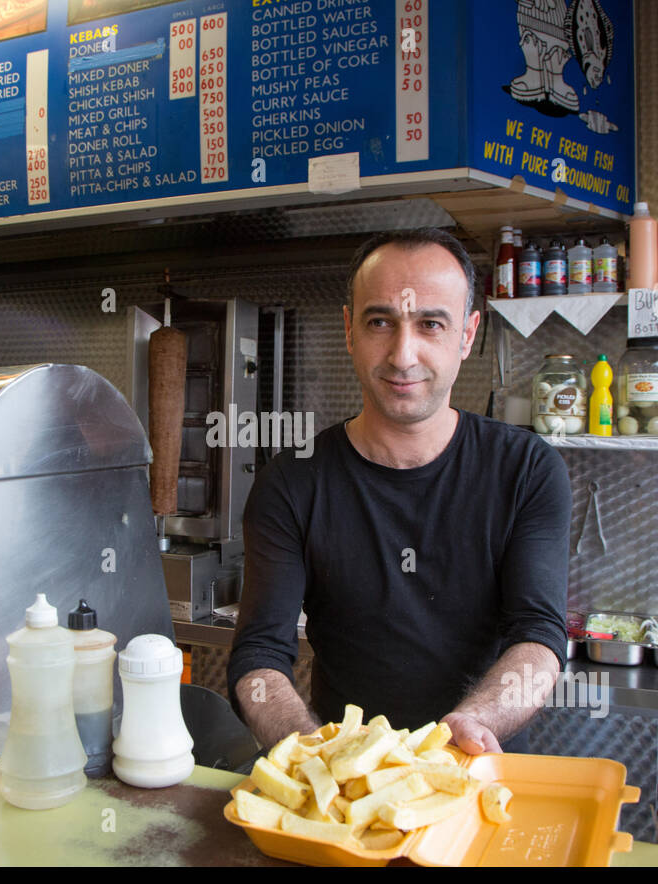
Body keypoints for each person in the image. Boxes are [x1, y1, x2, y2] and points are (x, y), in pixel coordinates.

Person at [226, 228, 571, 755]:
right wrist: (314, 756)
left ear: (468, 334)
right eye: (380, 322)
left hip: (481, 773)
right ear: (349, 330)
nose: (402, 355)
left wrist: (474, 723)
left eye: (430, 324)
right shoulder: (290, 484)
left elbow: (540, 637)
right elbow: (257, 656)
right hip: (345, 793)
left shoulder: (526, 470)